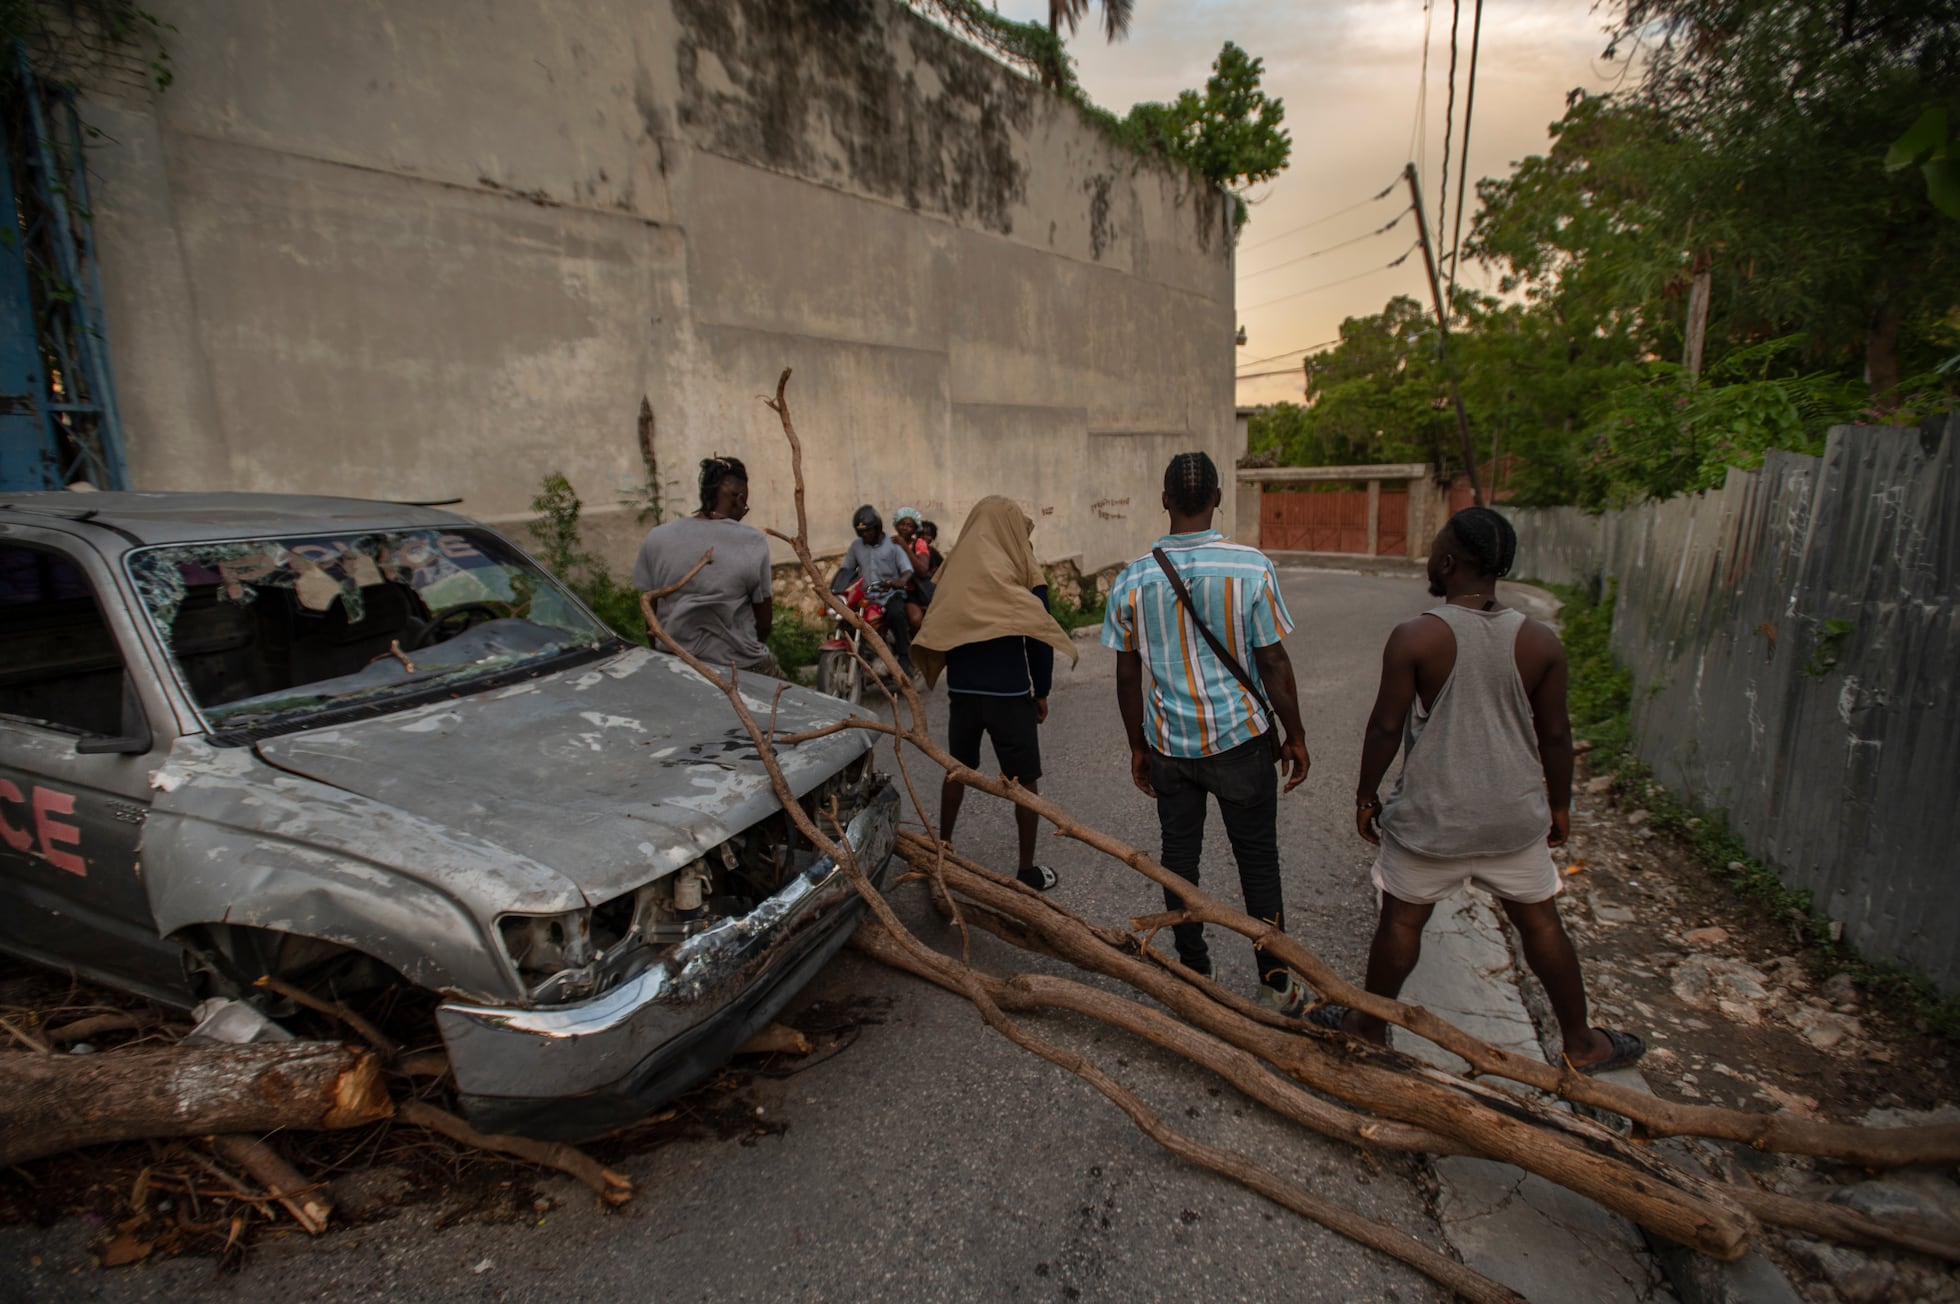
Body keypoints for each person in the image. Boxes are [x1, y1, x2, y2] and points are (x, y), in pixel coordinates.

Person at [1316, 507, 1646, 1075]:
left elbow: (1385, 728)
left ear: (1447, 562)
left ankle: (1369, 1028)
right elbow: (1557, 735)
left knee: (1400, 923)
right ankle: (1582, 1043)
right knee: (1540, 923)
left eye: (1433, 549)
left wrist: (1366, 796)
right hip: (1512, 820)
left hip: (1431, 820)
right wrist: (1561, 804)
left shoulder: (1417, 636)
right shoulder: (1539, 642)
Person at [1101, 452, 1313, 1014]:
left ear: (1164, 500)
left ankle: (1194, 968)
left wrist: (1137, 744)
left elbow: (1127, 674)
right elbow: (1274, 662)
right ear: (1218, 497)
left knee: (1180, 861)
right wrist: (1295, 735)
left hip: (1170, 745)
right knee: (1258, 862)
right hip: (1241, 742)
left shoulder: (1132, 578)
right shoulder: (1251, 567)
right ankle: (1275, 985)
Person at [913, 496, 1079, 891]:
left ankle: (944, 848)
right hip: (1009, 694)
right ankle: (1026, 870)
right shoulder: (1021, 568)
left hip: (964, 693)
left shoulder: (954, 571)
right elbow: (1039, 634)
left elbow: (941, 619)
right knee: (1025, 782)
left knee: (958, 770)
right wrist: (1042, 691)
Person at [632, 455, 783, 678]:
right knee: (795, 699)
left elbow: (649, 611)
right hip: (739, 663)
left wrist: (662, 651)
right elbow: (764, 621)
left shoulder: (657, 537)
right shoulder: (752, 541)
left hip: (677, 659)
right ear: (739, 499)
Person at [843, 504, 922, 678]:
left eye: (868, 531)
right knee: (846, 619)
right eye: (861, 531)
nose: (864, 534)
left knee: (895, 614)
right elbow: (846, 570)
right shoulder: (856, 546)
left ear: (877, 527)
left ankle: (904, 658)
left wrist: (900, 581)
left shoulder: (893, 545)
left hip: (890, 594)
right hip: (866, 597)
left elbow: (907, 569)